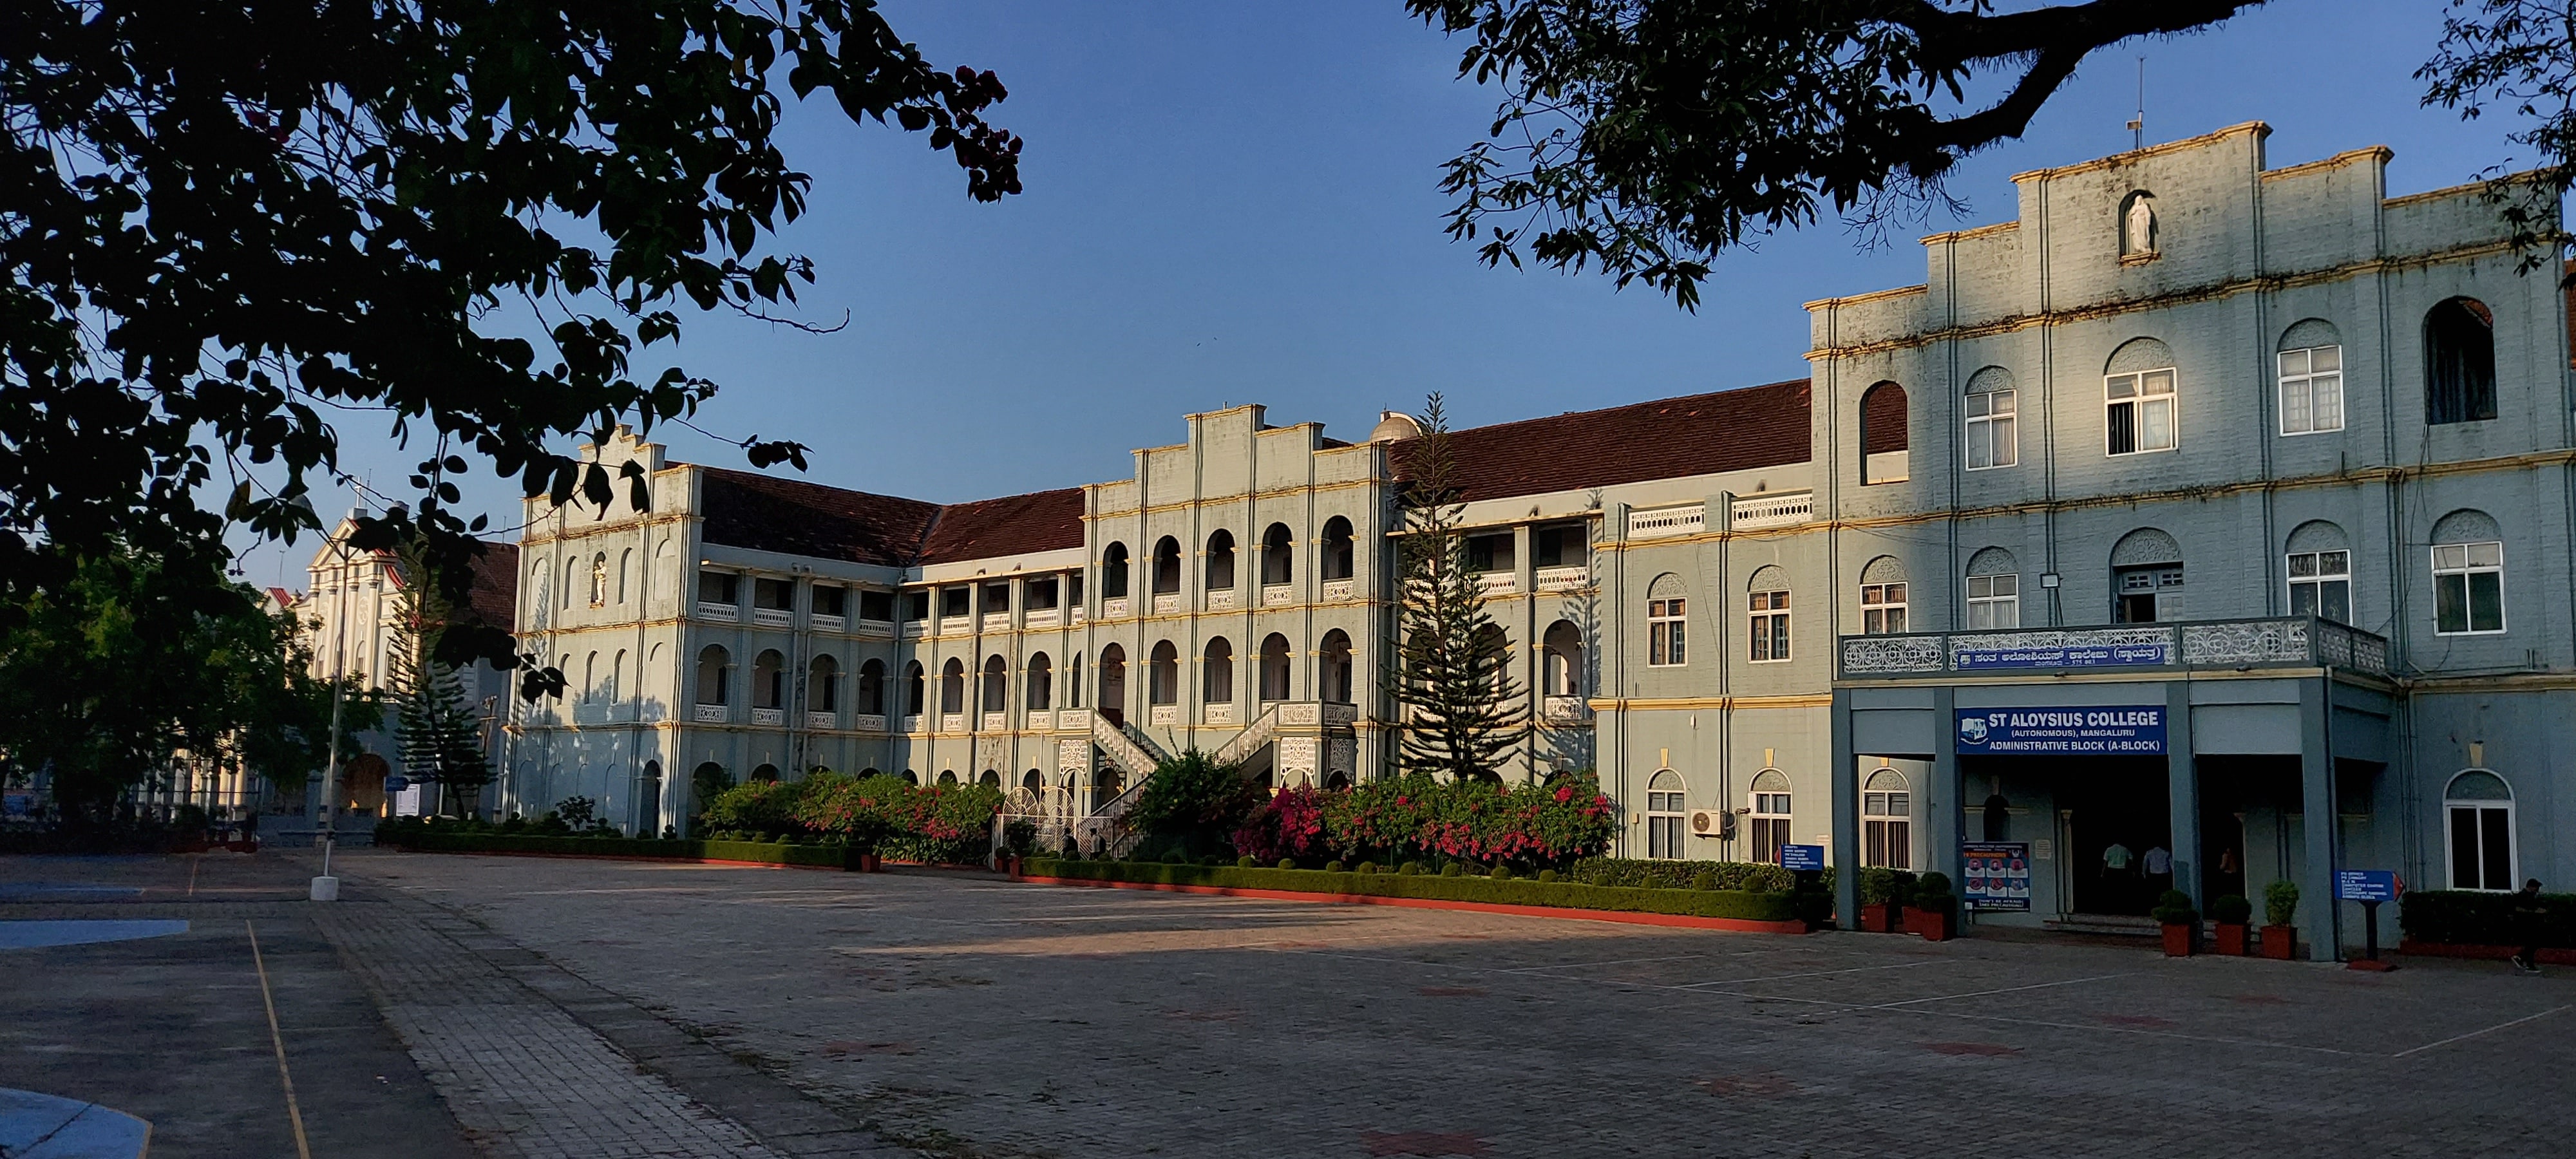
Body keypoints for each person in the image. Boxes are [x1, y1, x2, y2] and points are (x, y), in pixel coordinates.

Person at [2512, 878, 2547, 975]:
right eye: (2536, 887)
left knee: (2532, 944)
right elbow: (2529, 909)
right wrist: (2537, 911)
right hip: (2527, 925)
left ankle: (2521, 959)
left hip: (2528, 925)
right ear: (2531, 887)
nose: (2537, 890)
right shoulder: (2525, 896)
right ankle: (2528, 964)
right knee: (2532, 944)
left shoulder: (2526, 895)